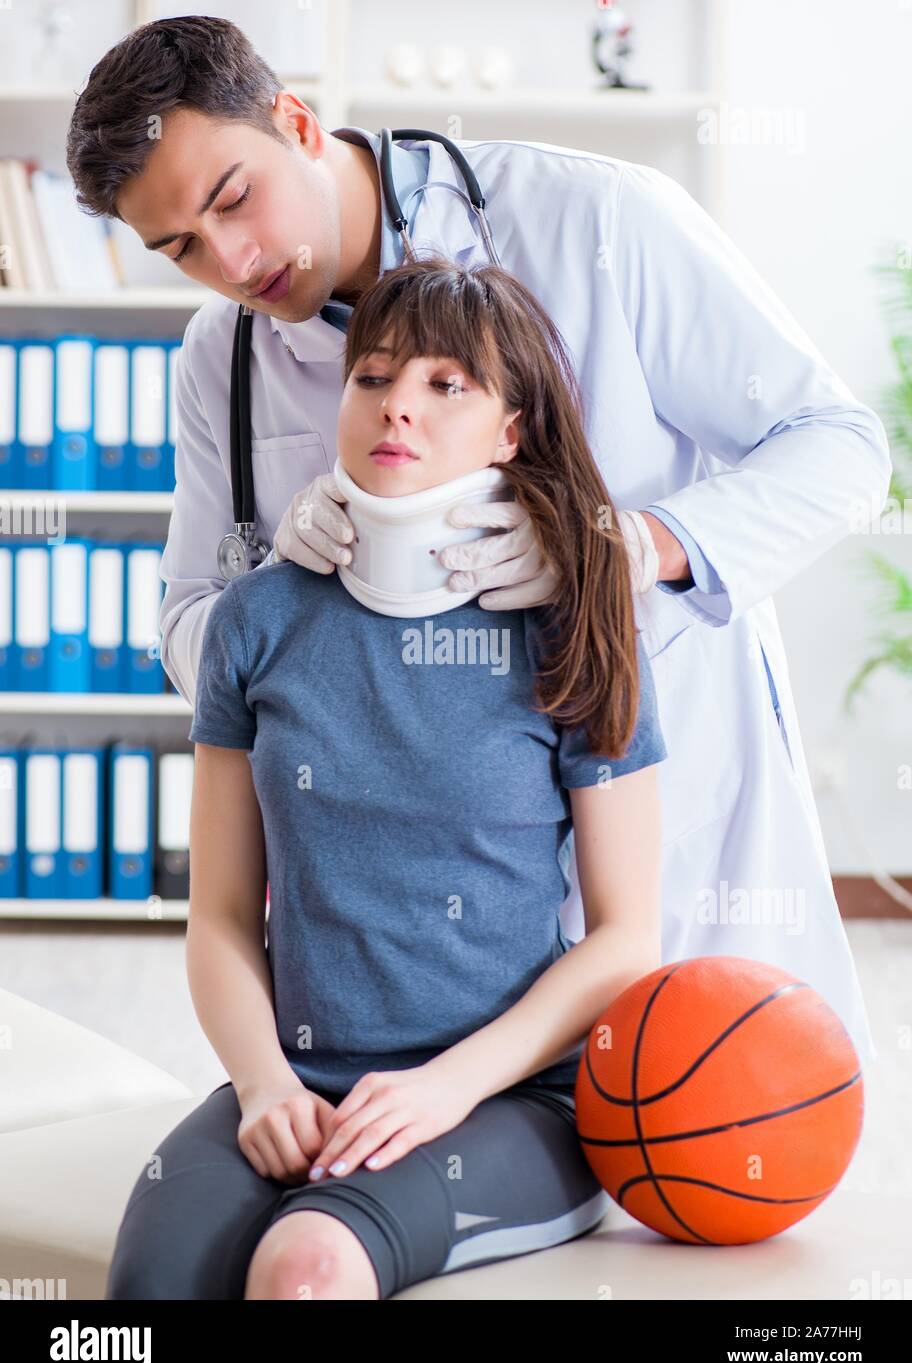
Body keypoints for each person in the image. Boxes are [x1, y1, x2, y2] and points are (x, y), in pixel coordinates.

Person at [65, 18, 890, 1073]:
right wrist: (276, 594)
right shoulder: (220, 360)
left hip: (666, 842)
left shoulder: (597, 221)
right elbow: (189, 628)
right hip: (419, 937)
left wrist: (631, 549)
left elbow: (841, 447)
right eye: (178, 246)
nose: (231, 260)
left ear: (298, 121)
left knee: (707, 1171)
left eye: (232, 198)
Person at [104, 254, 668, 1300]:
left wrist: (443, 1089)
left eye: (447, 384)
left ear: (511, 433)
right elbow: (221, 916)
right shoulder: (254, 621)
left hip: (510, 1098)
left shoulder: (576, 624)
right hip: (303, 1075)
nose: (397, 406)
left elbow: (628, 936)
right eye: (375, 377)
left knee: (306, 1266)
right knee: (149, 1287)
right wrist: (266, 1084)